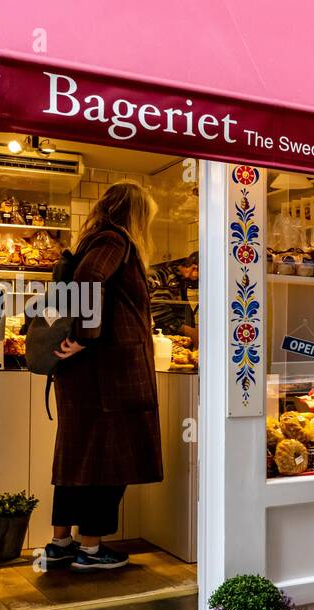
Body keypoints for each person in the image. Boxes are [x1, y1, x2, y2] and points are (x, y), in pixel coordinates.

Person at [46, 182, 164, 572]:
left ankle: (60, 542)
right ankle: (92, 550)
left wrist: (82, 339)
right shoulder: (116, 239)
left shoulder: (94, 238)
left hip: (87, 378)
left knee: (77, 458)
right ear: (133, 213)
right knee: (109, 461)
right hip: (111, 377)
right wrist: (85, 336)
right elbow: (90, 278)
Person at [149, 251, 199, 345]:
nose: (197, 282)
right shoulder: (167, 277)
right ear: (194, 268)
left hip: (173, 337)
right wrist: (186, 330)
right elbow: (158, 309)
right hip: (165, 338)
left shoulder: (179, 279)